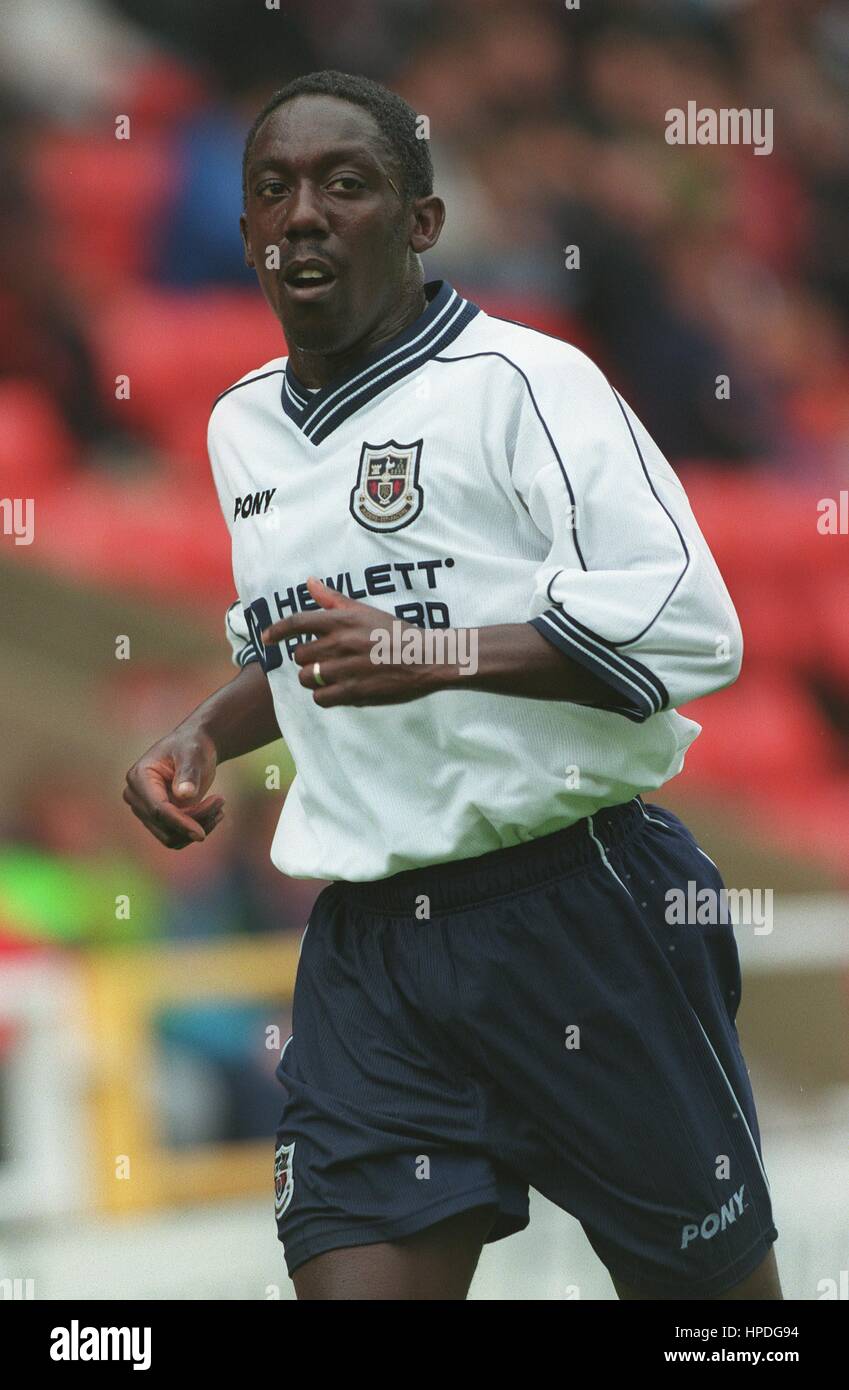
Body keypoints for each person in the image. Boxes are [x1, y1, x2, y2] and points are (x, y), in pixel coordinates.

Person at [124, 71, 781, 1301]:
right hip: (374, 952)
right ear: (248, 230)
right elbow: (307, 644)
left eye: (345, 185)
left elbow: (693, 626)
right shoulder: (239, 429)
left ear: (422, 223)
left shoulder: (530, 382)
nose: (303, 215)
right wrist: (209, 726)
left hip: (582, 910)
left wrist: (427, 655)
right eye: (273, 191)